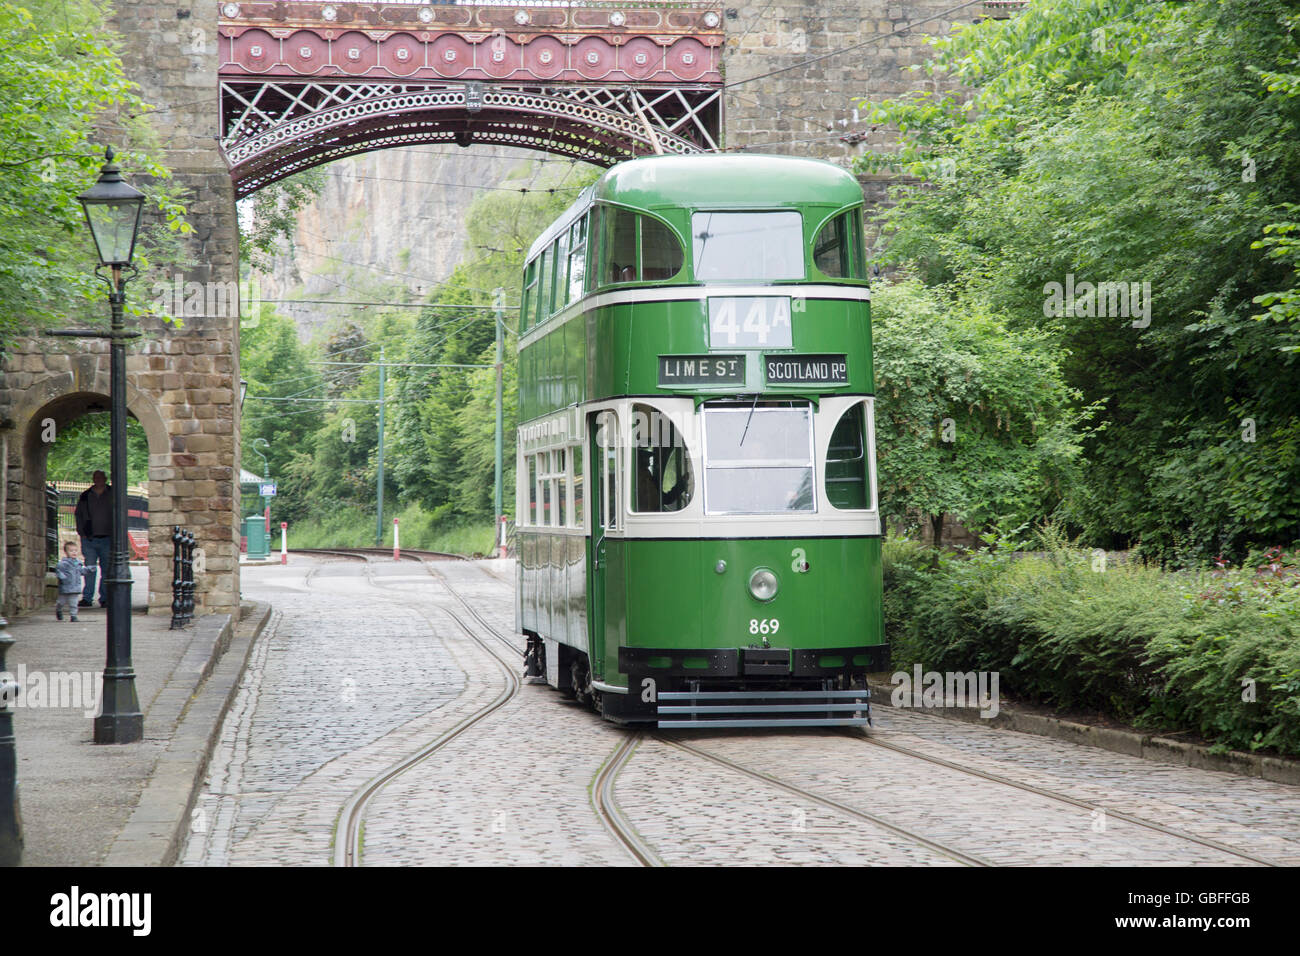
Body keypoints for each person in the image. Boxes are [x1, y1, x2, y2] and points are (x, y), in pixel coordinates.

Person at [74, 469, 112, 608]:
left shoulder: (113, 493)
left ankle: (105, 598)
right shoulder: (85, 496)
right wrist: (81, 532)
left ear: (105, 478)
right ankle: (87, 598)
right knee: (90, 569)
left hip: (108, 538)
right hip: (89, 538)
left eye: (101, 477)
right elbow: (78, 515)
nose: (98, 479)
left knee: (106, 570)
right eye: (96, 477)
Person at [54, 541, 84, 622]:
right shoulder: (63, 563)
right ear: (66, 552)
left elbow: (81, 571)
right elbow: (58, 571)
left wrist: (88, 570)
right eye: (71, 551)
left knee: (74, 603)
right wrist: (62, 577)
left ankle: (73, 616)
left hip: (75, 587)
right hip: (65, 587)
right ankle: (58, 609)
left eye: (75, 550)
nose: (74, 552)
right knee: (61, 602)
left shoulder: (78, 563)